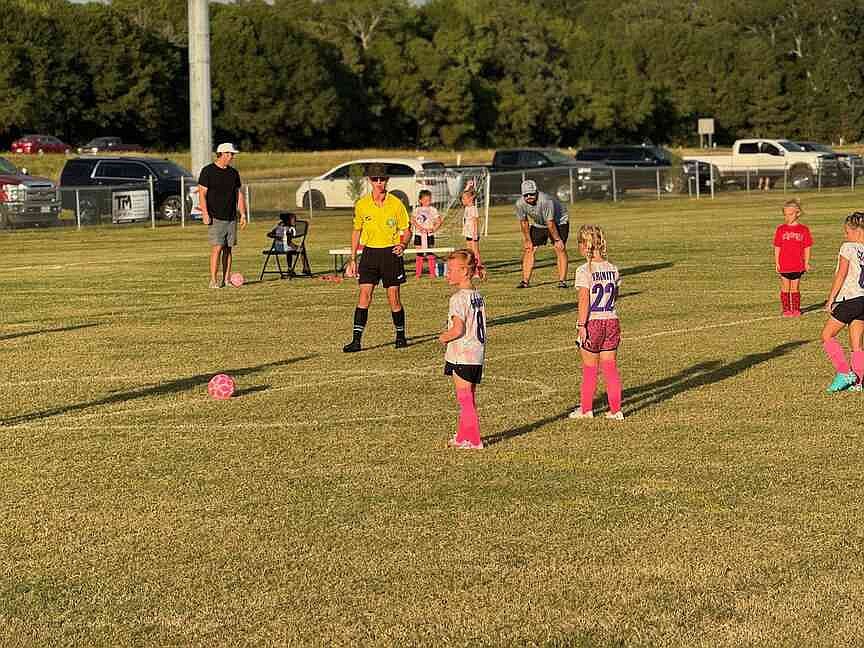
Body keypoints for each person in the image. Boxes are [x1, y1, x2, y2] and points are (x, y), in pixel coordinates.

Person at [343, 164, 411, 352]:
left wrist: (403, 244)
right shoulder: (362, 204)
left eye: (382, 179)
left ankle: (400, 336)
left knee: (393, 298)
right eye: (375, 179)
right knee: (364, 296)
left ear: (387, 180)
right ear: (369, 180)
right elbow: (356, 231)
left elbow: (407, 231)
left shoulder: (396, 203)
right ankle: (356, 341)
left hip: (390, 254)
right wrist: (353, 258)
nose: (379, 183)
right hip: (369, 254)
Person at [568, 224, 624, 420]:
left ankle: (586, 409)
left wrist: (581, 325)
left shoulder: (584, 270)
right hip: (611, 320)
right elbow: (615, 295)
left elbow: (584, 301)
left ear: (585, 245)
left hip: (593, 322)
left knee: (590, 369)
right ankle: (616, 410)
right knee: (610, 367)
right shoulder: (613, 269)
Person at [438, 249, 486, 449]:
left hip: (462, 355)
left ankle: (474, 440)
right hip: (476, 354)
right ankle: (463, 436)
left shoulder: (458, 299)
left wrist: (444, 337)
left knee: (465, 399)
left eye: (451, 270)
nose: (447, 274)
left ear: (465, 272)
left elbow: (458, 329)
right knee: (468, 397)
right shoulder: (477, 295)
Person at [821, 211, 864, 392]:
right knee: (857, 344)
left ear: (856, 231)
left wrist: (831, 299)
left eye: (847, 232)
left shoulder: (848, 247)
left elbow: (842, 274)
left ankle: (844, 372)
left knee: (827, 335)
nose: (845, 236)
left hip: (851, 298)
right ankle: (859, 383)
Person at [198, 142, 247, 289]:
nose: (232, 157)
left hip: (231, 217)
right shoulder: (208, 171)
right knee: (217, 248)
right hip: (216, 217)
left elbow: (239, 194)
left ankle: (226, 280)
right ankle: (213, 280)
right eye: (230, 154)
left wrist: (243, 214)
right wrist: (205, 213)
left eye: (232, 154)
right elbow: (202, 193)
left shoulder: (233, 173)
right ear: (223, 154)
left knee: (228, 248)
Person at [514, 179, 569, 289]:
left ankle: (562, 281)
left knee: (559, 248)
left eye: (532, 194)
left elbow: (550, 222)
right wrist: (527, 240)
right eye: (526, 195)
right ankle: (525, 281)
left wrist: (557, 240)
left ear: (537, 192)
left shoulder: (545, 201)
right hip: (539, 223)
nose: (529, 196)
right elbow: (524, 222)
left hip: (559, 222)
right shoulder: (520, 204)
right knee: (529, 249)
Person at [773, 198, 812, 317]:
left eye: (790, 214)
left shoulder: (803, 230)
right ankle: (786, 309)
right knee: (785, 287)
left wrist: (806, 262)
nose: (787, 217)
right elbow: (777, 247)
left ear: (797, 213)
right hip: (785, 264)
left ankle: (795, 309)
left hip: (797, 264)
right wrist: (777, 262)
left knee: (795, 288)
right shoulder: (781, 229)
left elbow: (807, 247)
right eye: (785, 215)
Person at [411, 189, 442, 278]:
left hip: (429, 236)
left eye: (429, 200)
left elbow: (439, 221)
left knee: (430, 253)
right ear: (420, 200)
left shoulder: (433, 210)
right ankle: (418, 273)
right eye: (425, 200)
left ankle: (432, 273)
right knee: (419, 254)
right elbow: (413, 220)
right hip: (418, 235)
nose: (427, 202)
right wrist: (420, 228)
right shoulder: (417, 210)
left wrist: (433, 229)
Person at [461, 187, 485, 279]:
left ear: (470, 199)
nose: (462, 200)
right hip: (467, 233)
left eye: (464, 199)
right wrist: (467, 186)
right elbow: (464, 194)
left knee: (475, 252)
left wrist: (475, 233)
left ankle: (479, 270)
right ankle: (472, 270)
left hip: (473, 233)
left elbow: (475, 221)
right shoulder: (467, 208)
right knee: (469, 252)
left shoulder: (473, 208)